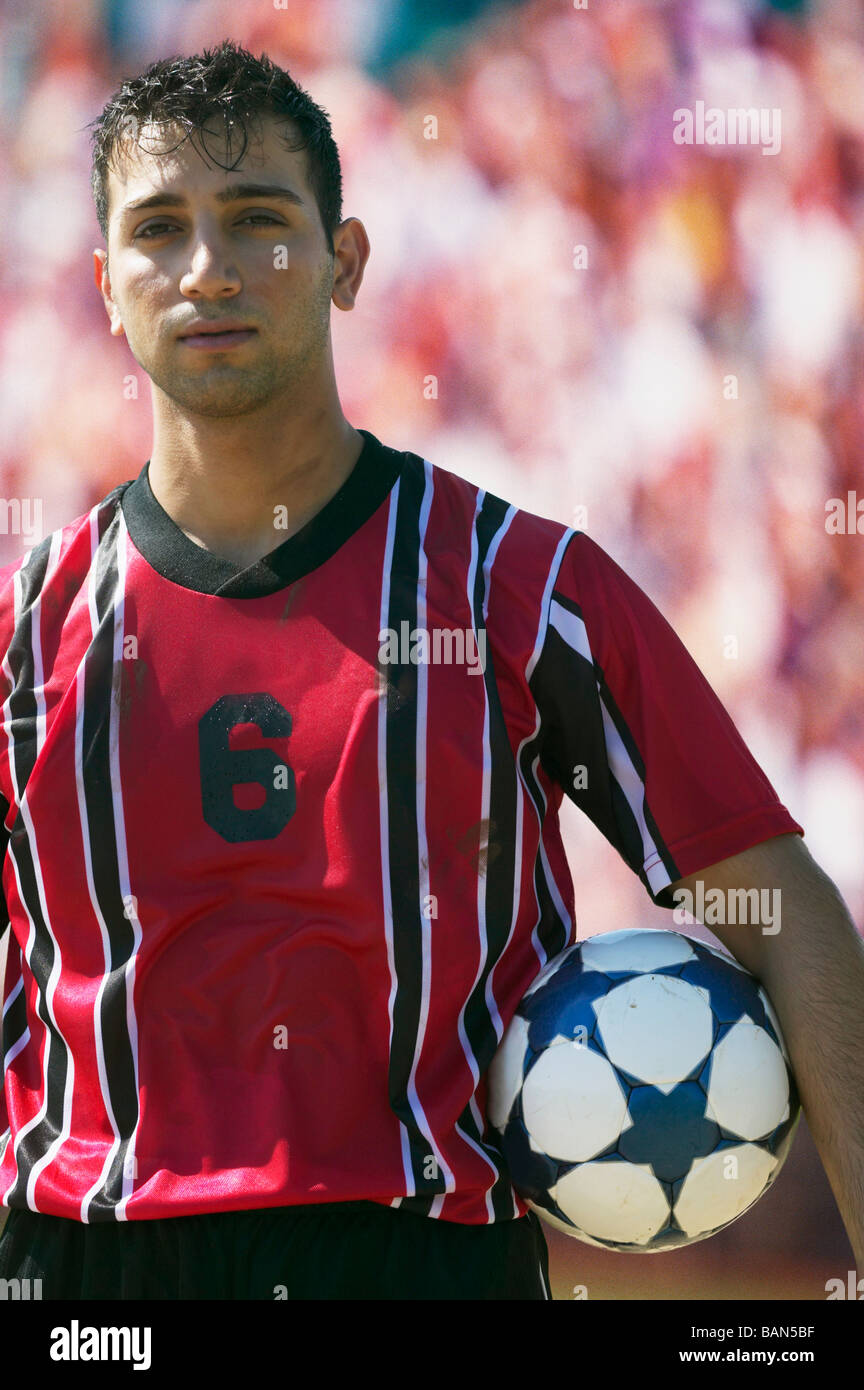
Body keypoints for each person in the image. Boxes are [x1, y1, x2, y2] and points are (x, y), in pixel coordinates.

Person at [0, 39, 861, 1301]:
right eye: (158, 230)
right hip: (89, 1285)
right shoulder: (28, 627)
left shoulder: (522, 588)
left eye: (258, 221)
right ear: (105, 286)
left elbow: (783, 913)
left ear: (344, 262)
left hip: (415, 1267)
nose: (207, 269)